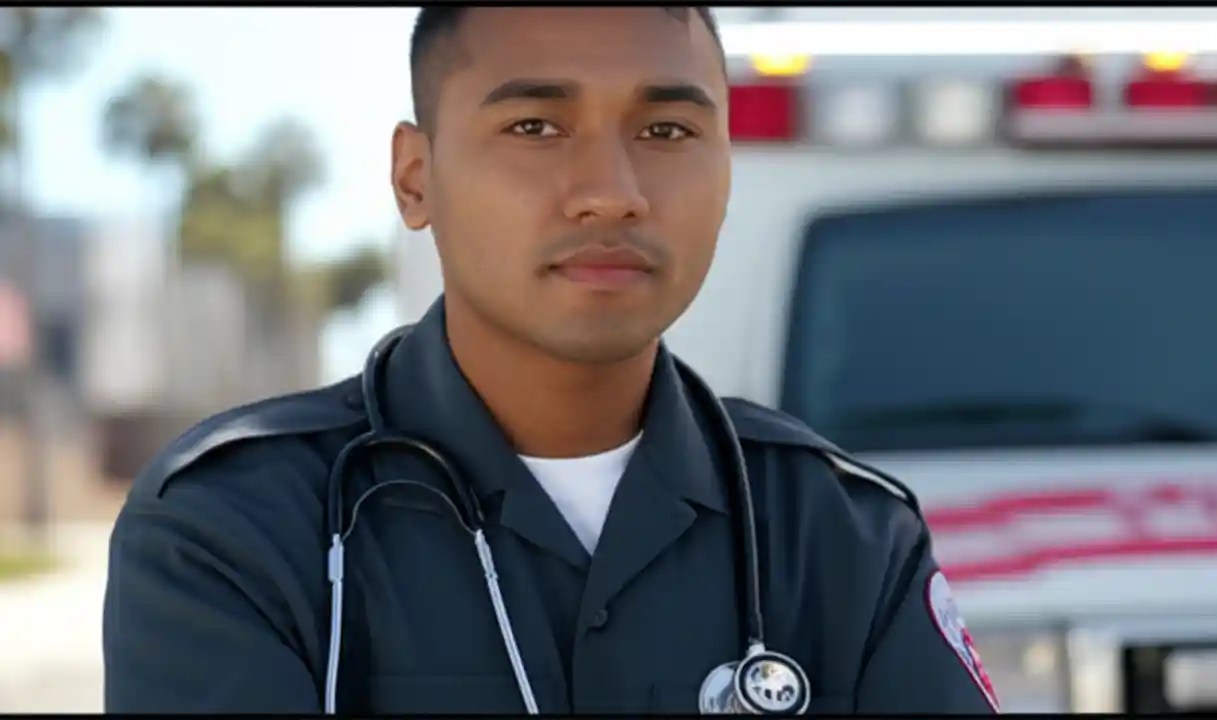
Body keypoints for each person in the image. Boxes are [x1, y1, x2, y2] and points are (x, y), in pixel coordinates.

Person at [102, 6, 1000, 715]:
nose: (612, 191)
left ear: (725, 171)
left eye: (666, 133)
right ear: (417, 179)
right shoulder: (236, 531)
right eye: (535, 126)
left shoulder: (842, 538)